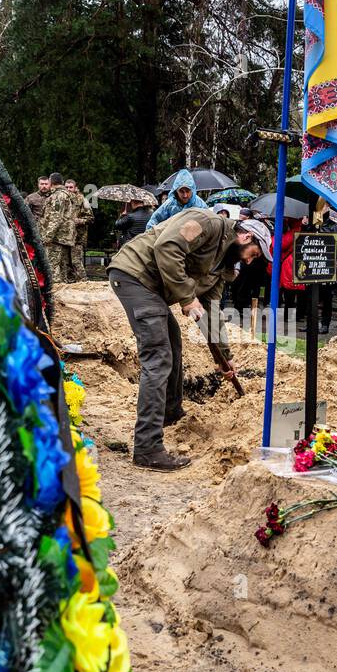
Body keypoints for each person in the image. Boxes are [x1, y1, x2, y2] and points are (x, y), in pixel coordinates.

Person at [108, 210, 272, 470]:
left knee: (173, 344)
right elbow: (166, 247)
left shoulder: (222, 267)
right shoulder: (208, 223)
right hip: (134, 275)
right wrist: (186, 296)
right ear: (245, 236)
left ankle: (170, 414)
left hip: (152, 289)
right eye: (254, 253)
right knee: (159, 357)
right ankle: (147, 448)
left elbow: (212, 314)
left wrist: (224, 358)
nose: (251, 262)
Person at [40, 172, 78, 283]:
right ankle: (63, 291)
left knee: (52, 266)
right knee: (62, 267)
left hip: (57, 237)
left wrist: (47, 236)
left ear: (51, 182)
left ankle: (56, 292)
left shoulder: (58, 196)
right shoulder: (66, 194)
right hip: (64, 236)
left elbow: (56, 218)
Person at [66, 179, 93, 282]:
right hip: (64, 238)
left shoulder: (82, 199)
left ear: (75, 188)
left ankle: (84, 282)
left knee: (76, 261)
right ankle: (71, 284)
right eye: (67, 187)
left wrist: (79, 221)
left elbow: (91, 218)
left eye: (71, 187)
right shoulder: (62, 198)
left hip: (77, 237)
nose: (68, 189)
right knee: (66, 263)